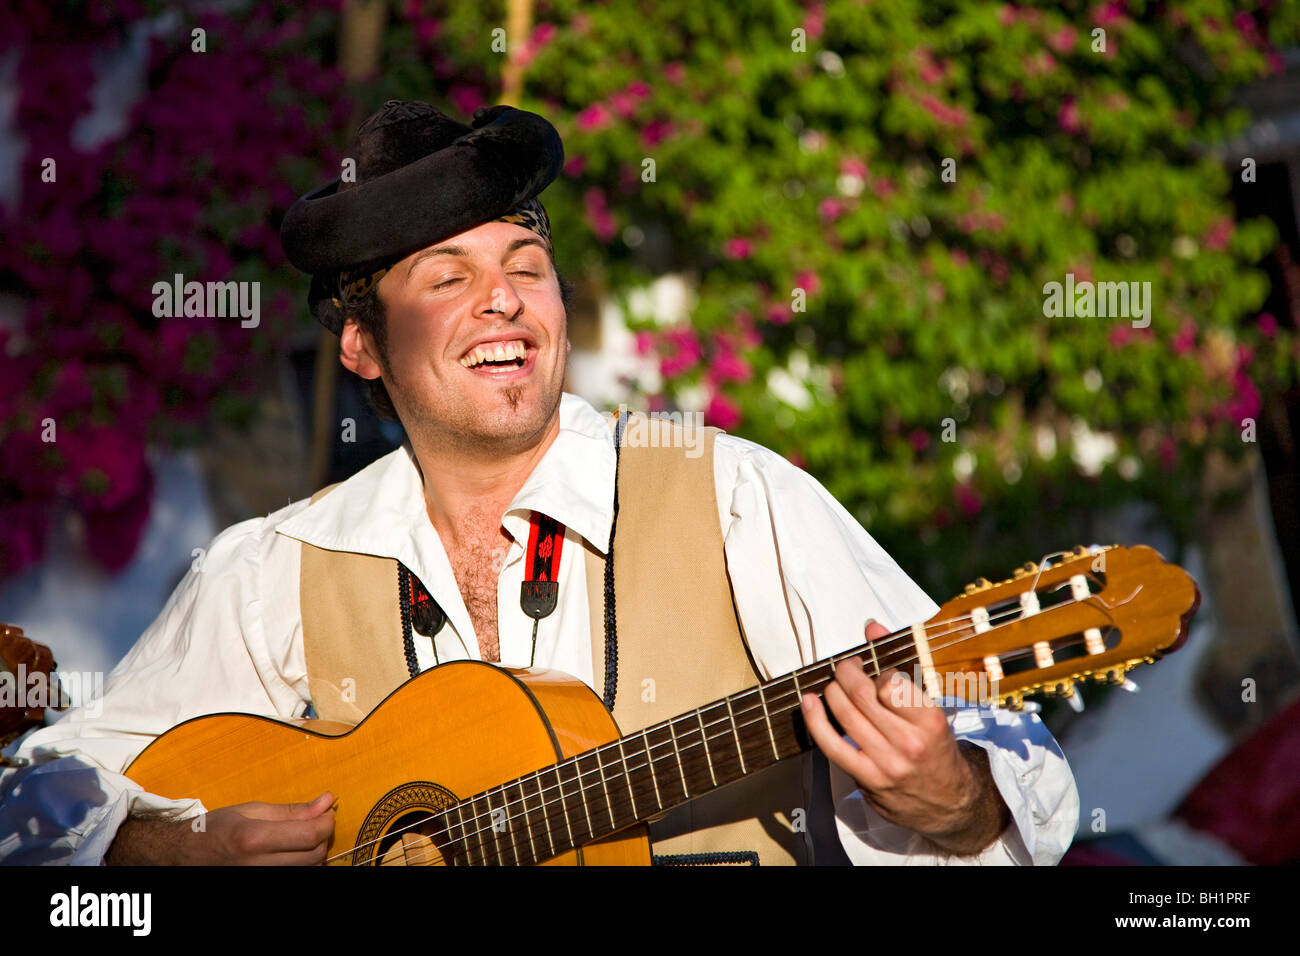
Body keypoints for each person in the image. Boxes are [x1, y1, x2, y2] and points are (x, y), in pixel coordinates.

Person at [0, 101, 1078, 865]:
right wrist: (165, 848)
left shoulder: (735, 497)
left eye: (524, 264)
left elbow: (1001, 754)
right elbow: (31, 800)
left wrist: (955, 798)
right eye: (449, 278)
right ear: (364, 346)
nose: (505, 300)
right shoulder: (270, 569)